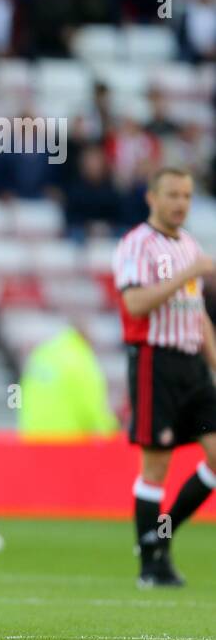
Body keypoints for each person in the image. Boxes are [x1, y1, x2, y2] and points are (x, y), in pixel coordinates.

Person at [112, 167, 216, 587]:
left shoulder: (189, 244)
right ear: (152, 197)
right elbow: (135, 304)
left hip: (192, 365)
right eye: (172, 194)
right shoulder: (137, 245)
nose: (180, 203)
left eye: (187, 196)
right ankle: (150, 565)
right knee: (157, 466)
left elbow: (200, 318)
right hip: (156, 362)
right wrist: (187, 275)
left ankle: (158, 535)